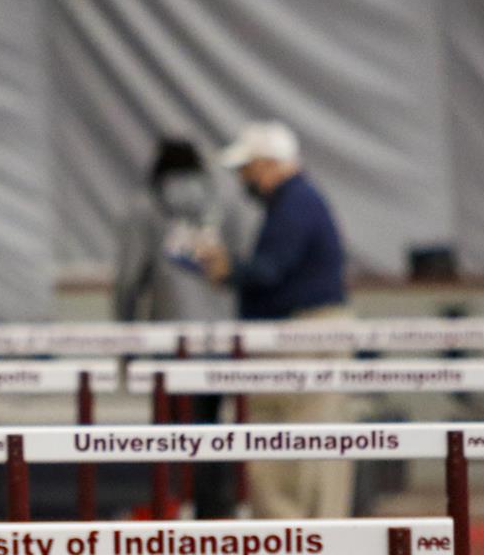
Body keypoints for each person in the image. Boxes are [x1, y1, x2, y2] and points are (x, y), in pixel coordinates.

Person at [196, 121, 353, 534]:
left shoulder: (294, 204)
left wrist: (227, 268)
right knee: (311, 440)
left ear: (268, 164)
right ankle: (313, 540)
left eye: (246, 169)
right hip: (307, 330)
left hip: (298, 335)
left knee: (280, 442)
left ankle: (291, 542)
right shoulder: (301, 200)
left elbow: (269, 271)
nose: (242, 179)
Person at [113, 137, 246, 519]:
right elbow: (241, 268)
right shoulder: (226, 205)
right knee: (212, 431)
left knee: (172, 438)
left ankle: (179, 517)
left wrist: (126, 341)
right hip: (220, 340)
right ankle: (214, 517)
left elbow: (128, 280)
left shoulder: (145, 208)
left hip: (169, 342)